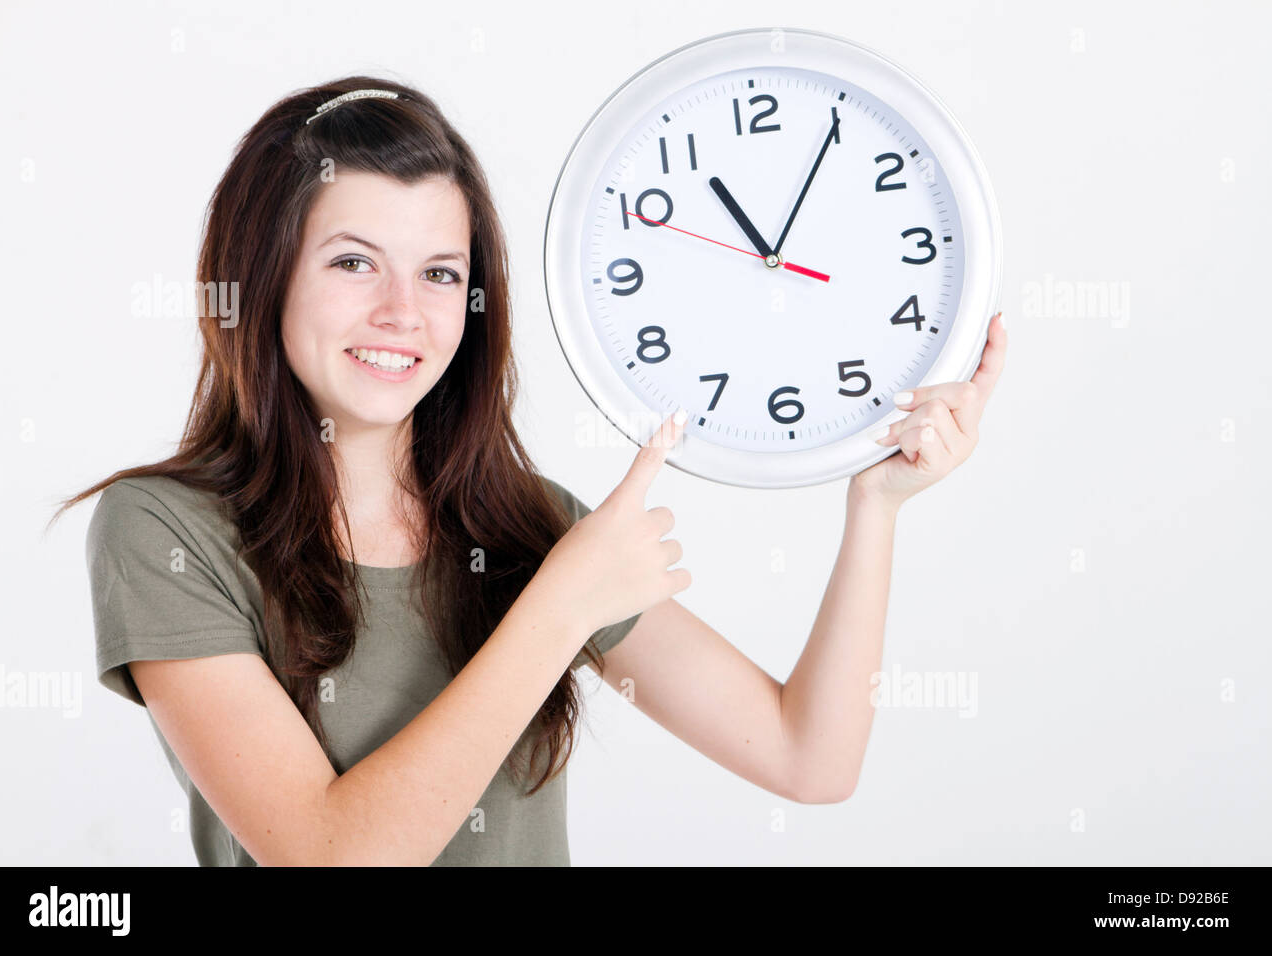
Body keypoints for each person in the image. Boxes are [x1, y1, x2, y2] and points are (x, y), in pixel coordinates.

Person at [52, 76, 1008, 866]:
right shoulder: (163, 531)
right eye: (353, 263)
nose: (403, 312)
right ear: (262, 275)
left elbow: (811, 758)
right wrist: (559, 608)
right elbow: (326, 855)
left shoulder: (524, 522)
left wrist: (876, 507)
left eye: (438, 273)